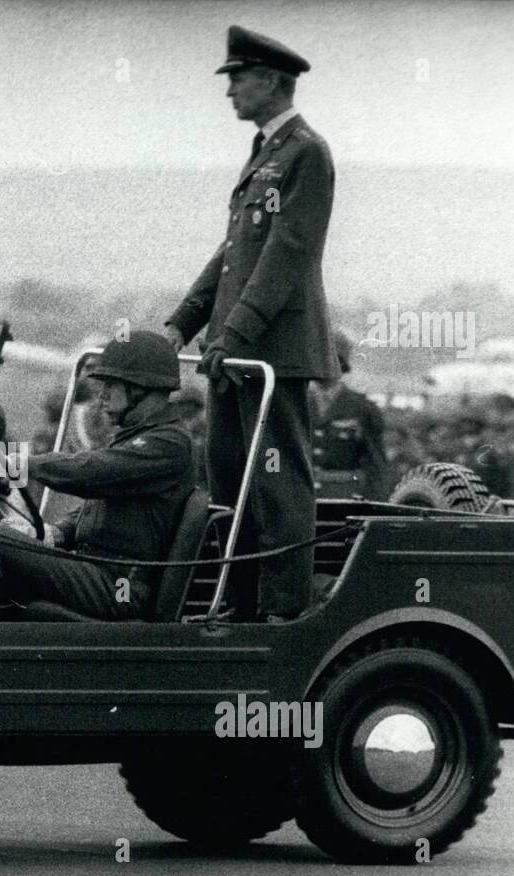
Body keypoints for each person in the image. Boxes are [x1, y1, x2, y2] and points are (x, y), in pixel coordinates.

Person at [164, 25, 338, 623]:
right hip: (236, 355)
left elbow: (288, 253)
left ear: (271, 80)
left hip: (274, 352)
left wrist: (232, 333)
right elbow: (233, 253)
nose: (230, 90)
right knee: (231, 479)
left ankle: (283, 615)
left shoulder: (306, 153)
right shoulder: (265, 153)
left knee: (279, 483)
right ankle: (236, 607)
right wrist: (181, 325)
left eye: (238, 77)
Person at [0, 330, 195, 621]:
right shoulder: (135, 436)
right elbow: (100, 507)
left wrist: (20, 464)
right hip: (96, 570)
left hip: (121, 586)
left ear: (141, 388)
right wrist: (54, 533)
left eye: (111, 385)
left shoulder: (168, 442)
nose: (101, 396)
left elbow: (92, 471)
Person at [310, 331, 390, 499]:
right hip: (298, 501)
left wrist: (373, 507)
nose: (322, 365)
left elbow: (377, 466)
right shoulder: (292, 405)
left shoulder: (363, 408)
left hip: (344, 500)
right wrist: (271, 483)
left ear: (342, 364)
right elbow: (272, 450)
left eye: (331, 359)